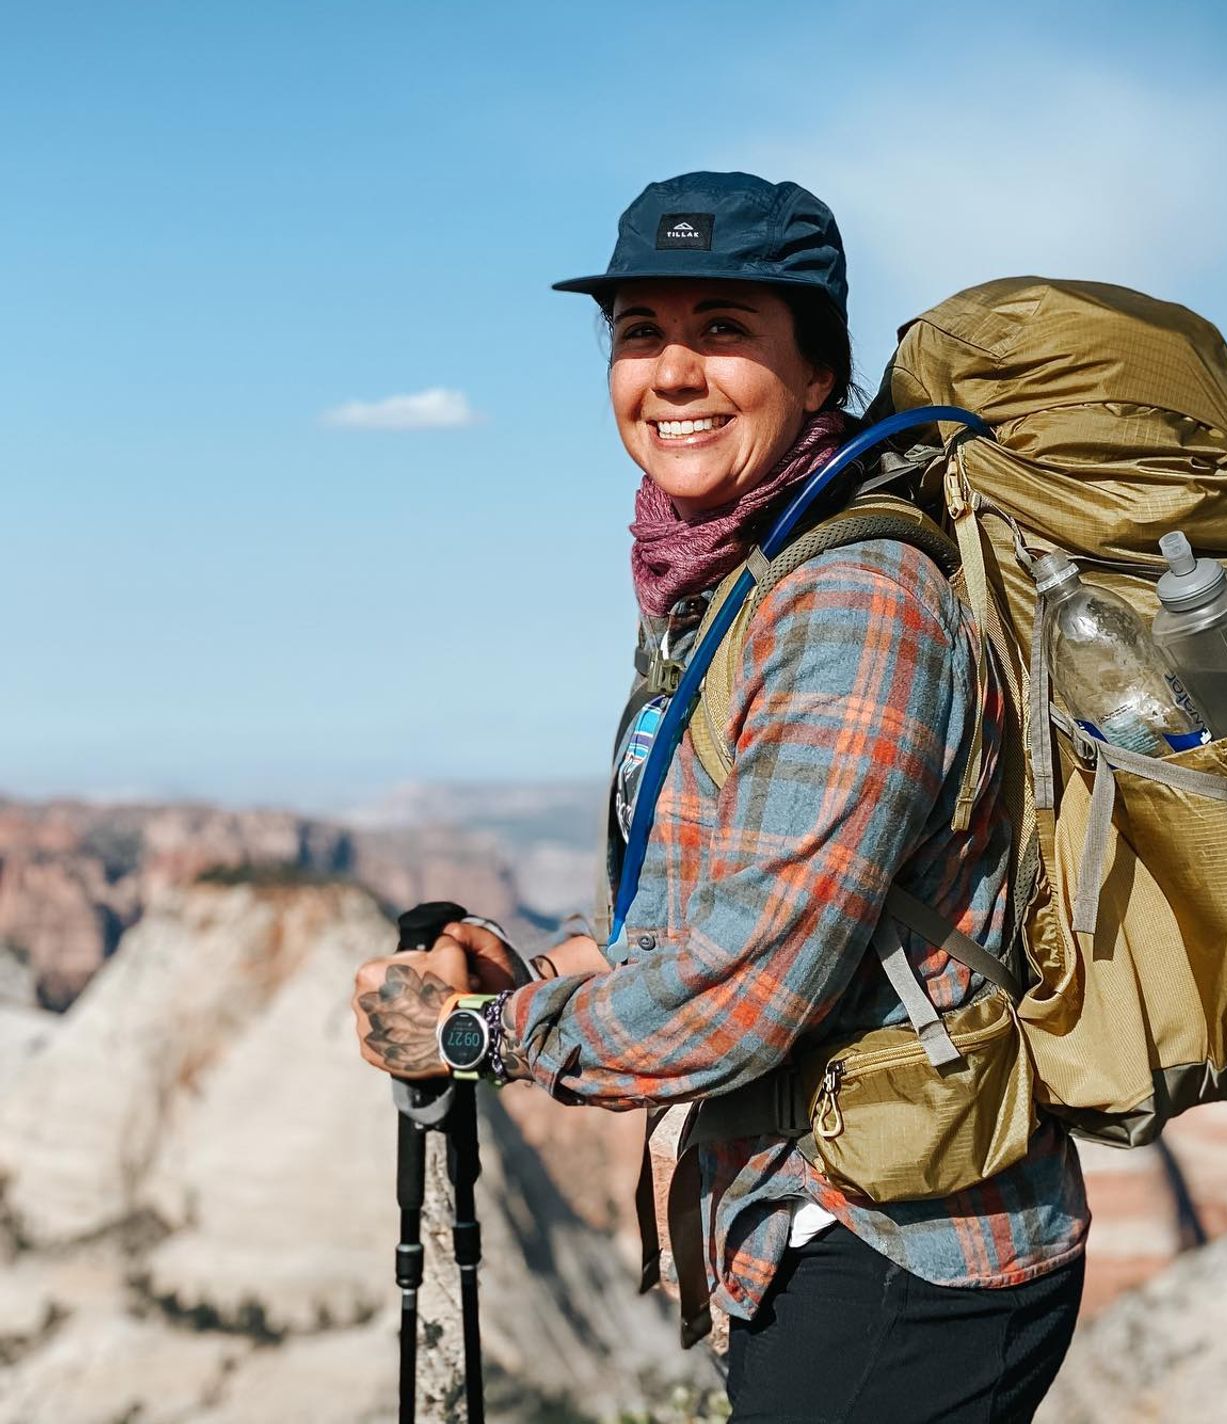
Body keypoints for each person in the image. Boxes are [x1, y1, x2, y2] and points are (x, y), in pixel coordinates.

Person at [353, 171, 1089, 1422]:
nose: (672, 371)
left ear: (817, 374)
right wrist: (533, 973)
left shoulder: (852, 600)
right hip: (816, 1221)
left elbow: (747, 986)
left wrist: (479, 1037)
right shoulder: (736, 579)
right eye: (641, 332)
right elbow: (707, 911)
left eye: (725, 328)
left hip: (904, 1248)